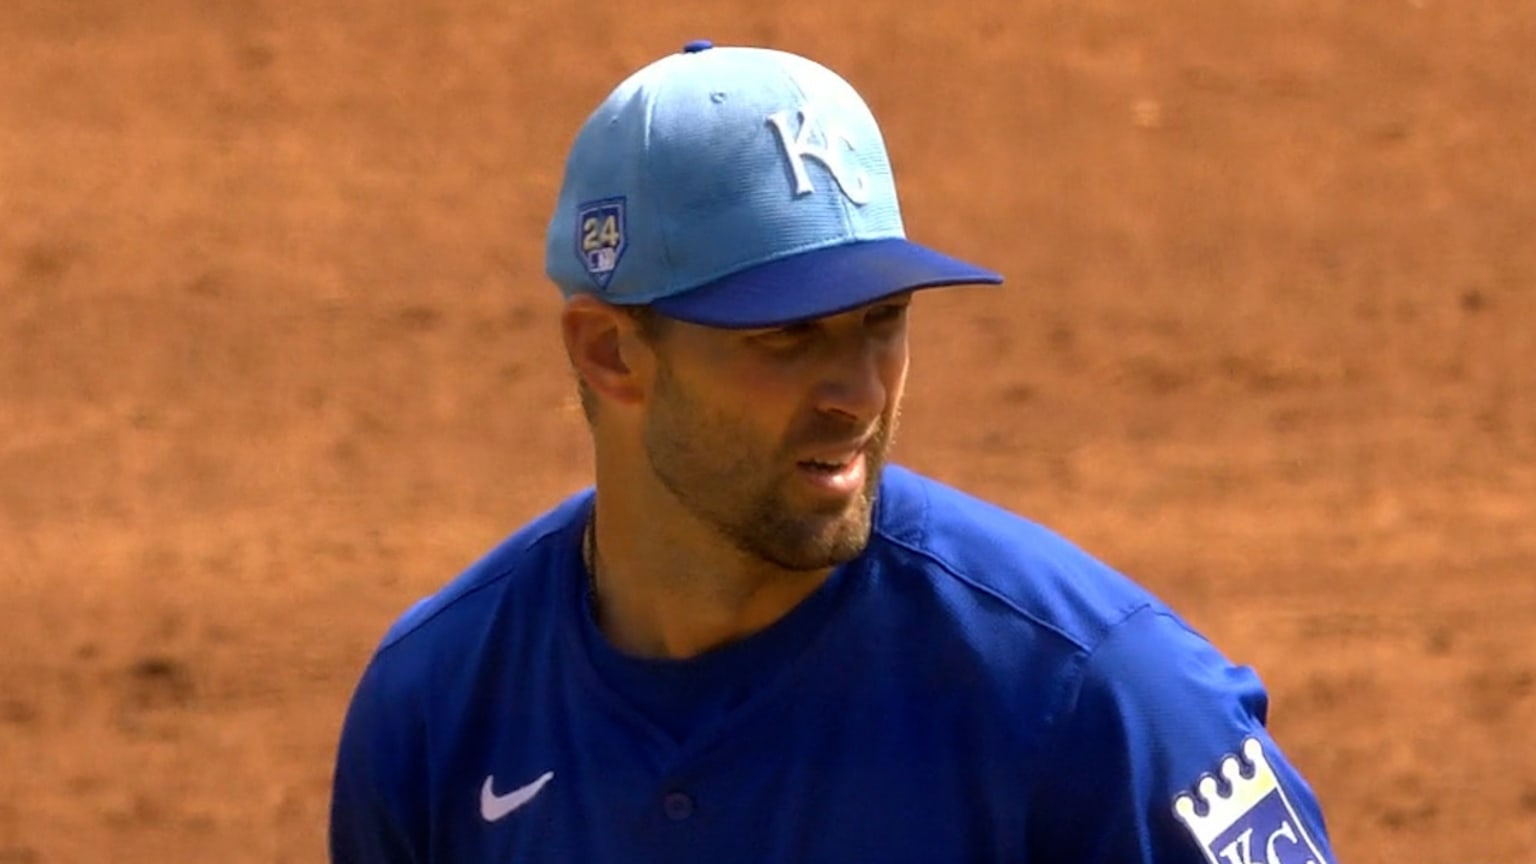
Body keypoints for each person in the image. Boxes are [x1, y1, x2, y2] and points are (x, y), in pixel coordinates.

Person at [329, 41, 1336, 864]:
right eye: (787, 335)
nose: (860, 392)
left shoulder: (1094, 702)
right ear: (611, 353)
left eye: (882, 321)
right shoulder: (440, 711)